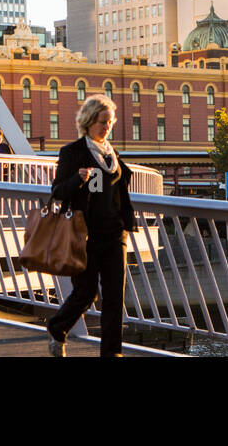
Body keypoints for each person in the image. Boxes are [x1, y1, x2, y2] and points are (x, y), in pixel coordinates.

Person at [45, 96, 134, 358]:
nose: (106, 127)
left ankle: (111, 354)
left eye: (109, 122)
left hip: (115, 233)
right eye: (101, 121)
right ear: (88, 121)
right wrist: (77, 179)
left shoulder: (111, 154)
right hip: (85, 234)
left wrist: (124, 221)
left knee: (115, 298)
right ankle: (57, 327)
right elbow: (58, 192)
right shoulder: (73, 153)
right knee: (86, 293)